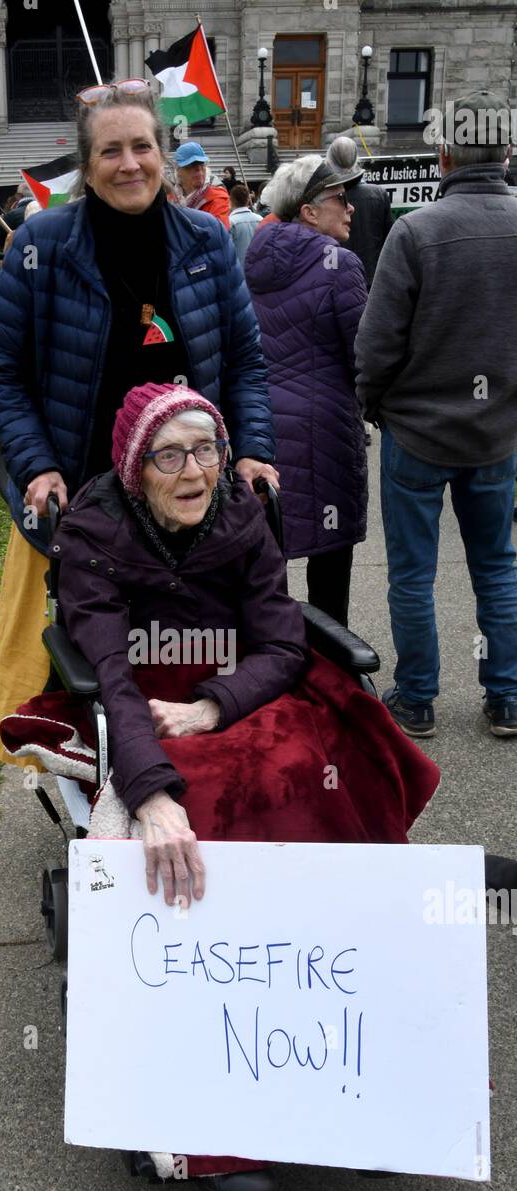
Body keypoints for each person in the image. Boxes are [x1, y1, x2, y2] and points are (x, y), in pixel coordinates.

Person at [23, 381, 440, 1191]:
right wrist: (149, 794)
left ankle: (369, 1083)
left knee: (317, 783)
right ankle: (208, 1123)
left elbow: (282, 640)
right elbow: (110, 675)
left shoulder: (240, 514)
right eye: (170, 455)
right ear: (136, 468)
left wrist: (216, 702)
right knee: (199, 819)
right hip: (139, 702)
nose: (194, 471)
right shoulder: (95, 533)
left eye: (206, 449)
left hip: (232, 690)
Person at [0, 82, 277, 765]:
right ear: (87, 166)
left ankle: (200, 770)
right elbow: (4, 373)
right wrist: (38, 466)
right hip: (85, 497)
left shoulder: (205, 238)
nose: (129, 163)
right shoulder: (42, 244)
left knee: (188, 643)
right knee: (90, 649)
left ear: (163, 155)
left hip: (191, 490)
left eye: (141, 146)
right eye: (110, 150)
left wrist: (255, 450)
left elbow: (245, 363)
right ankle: (89, 782)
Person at [355, 89, 517, 739]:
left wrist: (376, 402)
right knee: (498, 566)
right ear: (504, 150)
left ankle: (418, 697)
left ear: (445, 154)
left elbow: (377, 343)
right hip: (495, 432)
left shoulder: (416, 231)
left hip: (419, 433)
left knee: (413, 575)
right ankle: (506, 695)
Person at [245, 156, 368, 626]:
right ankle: (332, 675)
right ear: (309, 211)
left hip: (263, 430)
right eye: (341, 198)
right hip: (326, 432)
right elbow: (365, 356)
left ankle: (273, 664)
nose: (351, 208)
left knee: (268, 558)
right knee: (330, 569)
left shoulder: (253, 258)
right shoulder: (341, 265)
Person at [326, 136, 393, 288]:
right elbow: (389, 242)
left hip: (336, 280)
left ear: (329, 162)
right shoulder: (378, 194)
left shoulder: (324, 198)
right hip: (371, 280)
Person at [172, 140, 230, 227]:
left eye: (201, 163)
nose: (199, 168)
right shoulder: (170, 198)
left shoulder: (217, 197)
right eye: (191, 165)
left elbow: (218, 235)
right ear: (178, 171)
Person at [228, 183, 262, 266]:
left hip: (238, 273)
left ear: (231, 201)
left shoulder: (229, 222)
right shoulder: (261, 220)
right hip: (258, 271)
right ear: (248, 200)